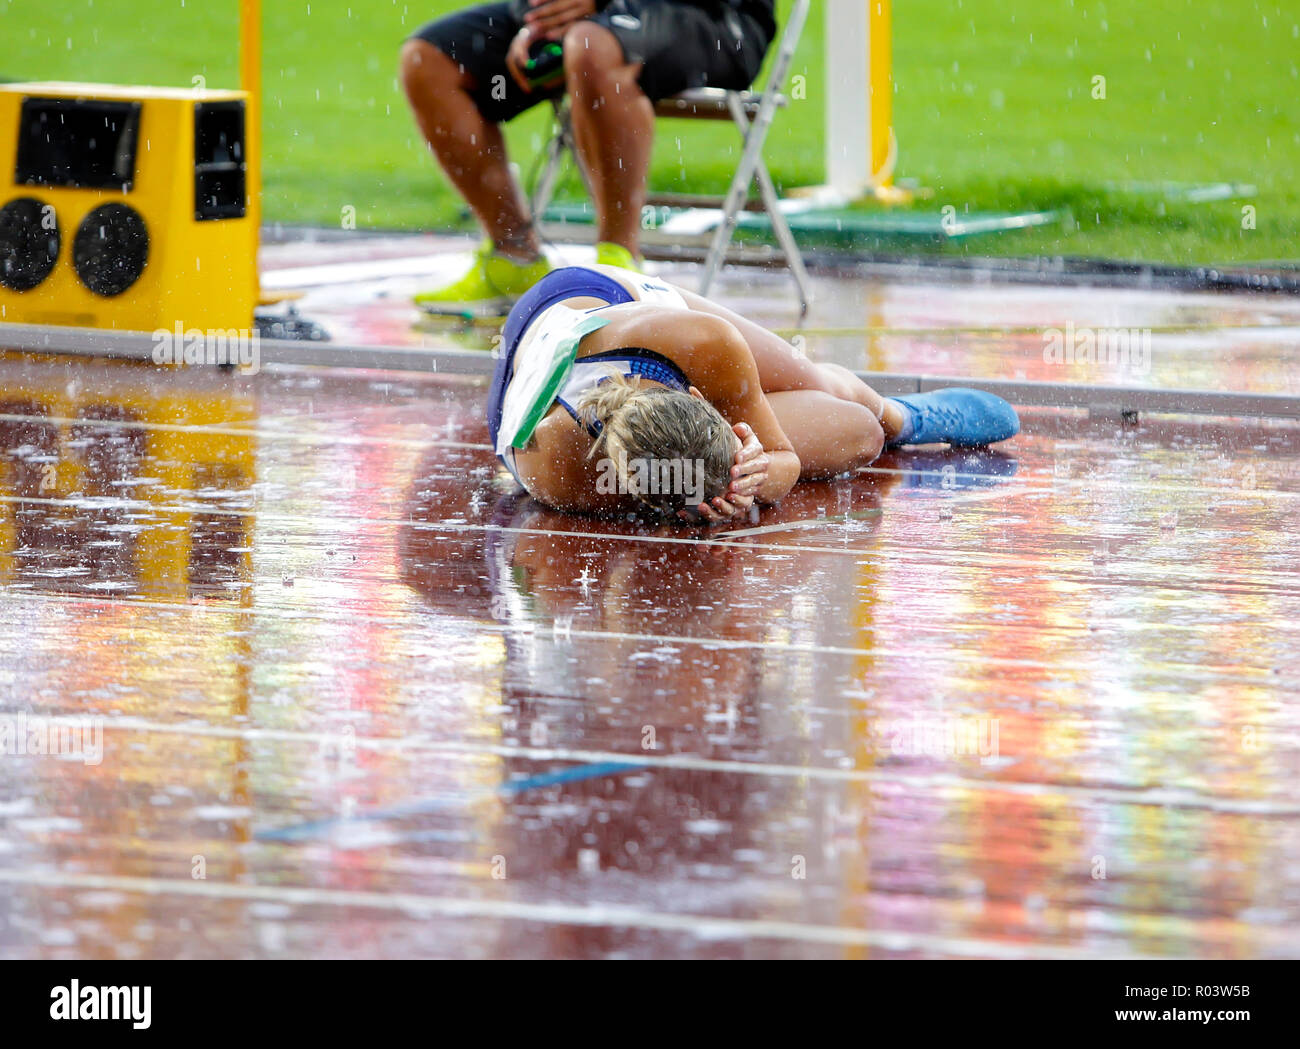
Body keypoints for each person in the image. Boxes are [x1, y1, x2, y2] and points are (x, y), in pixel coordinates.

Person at [489, 264, 1021, 522]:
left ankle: (902, 415)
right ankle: (881, 421)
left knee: (824, 388)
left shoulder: (705, 343)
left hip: (604, 300)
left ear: (700, 397)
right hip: (537, 376)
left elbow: (784, 456)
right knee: (858, 435)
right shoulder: (564, 471)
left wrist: (763, 469)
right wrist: (736, 491)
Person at [399, 1, 777, 314]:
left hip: (715, 18)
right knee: (428, 60)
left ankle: (619, 268)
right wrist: (540, 18)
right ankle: (513, 260)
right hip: (595, 15)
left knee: (591, 45)